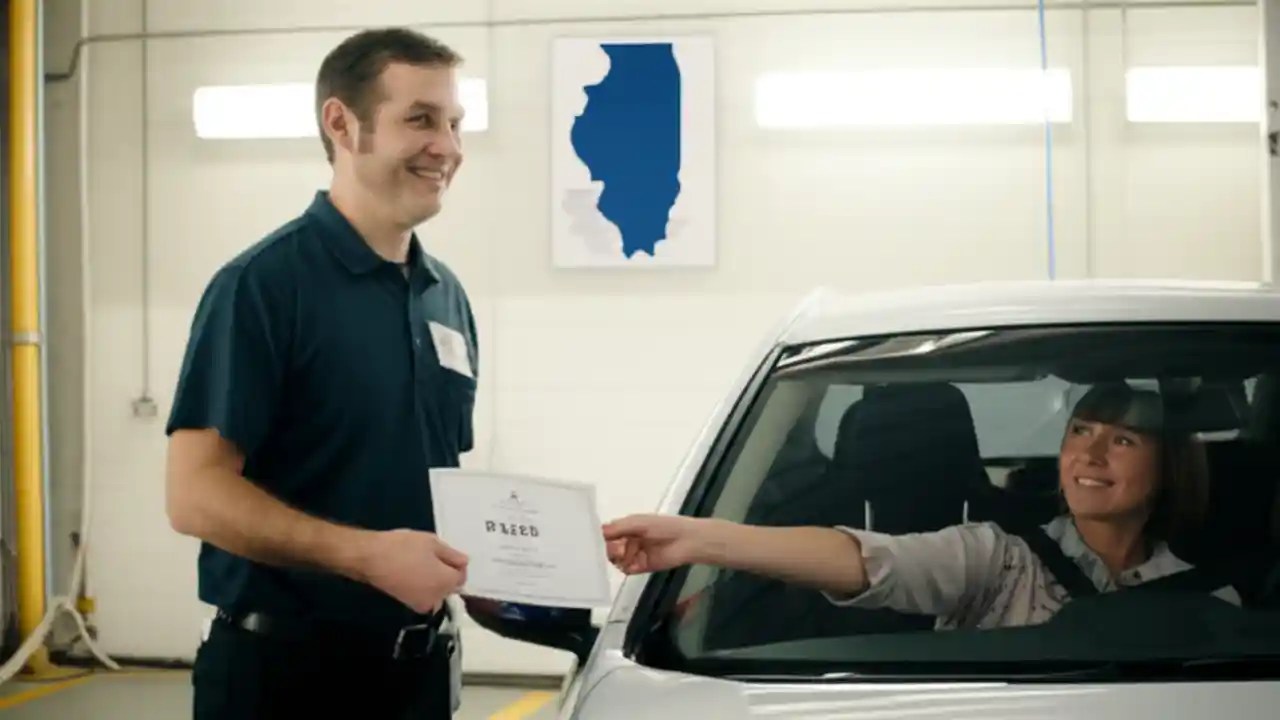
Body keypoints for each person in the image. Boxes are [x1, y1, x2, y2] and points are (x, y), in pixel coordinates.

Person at [165, 27, 475, 718]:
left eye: (455, 123)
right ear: (343, 123)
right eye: (420, 119)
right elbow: (194, 495)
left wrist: (518, 570)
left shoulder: (444, 295)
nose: (449, 146)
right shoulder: (262, 287)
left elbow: (434, 488)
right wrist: (366, 557)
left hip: (420, 675)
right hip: (284, 681)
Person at [604, 383, 1241, 631]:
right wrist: (697, 540)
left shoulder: (1214, 600)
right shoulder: (1001, 557)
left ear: (1166, 469)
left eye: (1123, 439)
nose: (1090, 454)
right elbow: (871, 562)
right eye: (1080, 431)